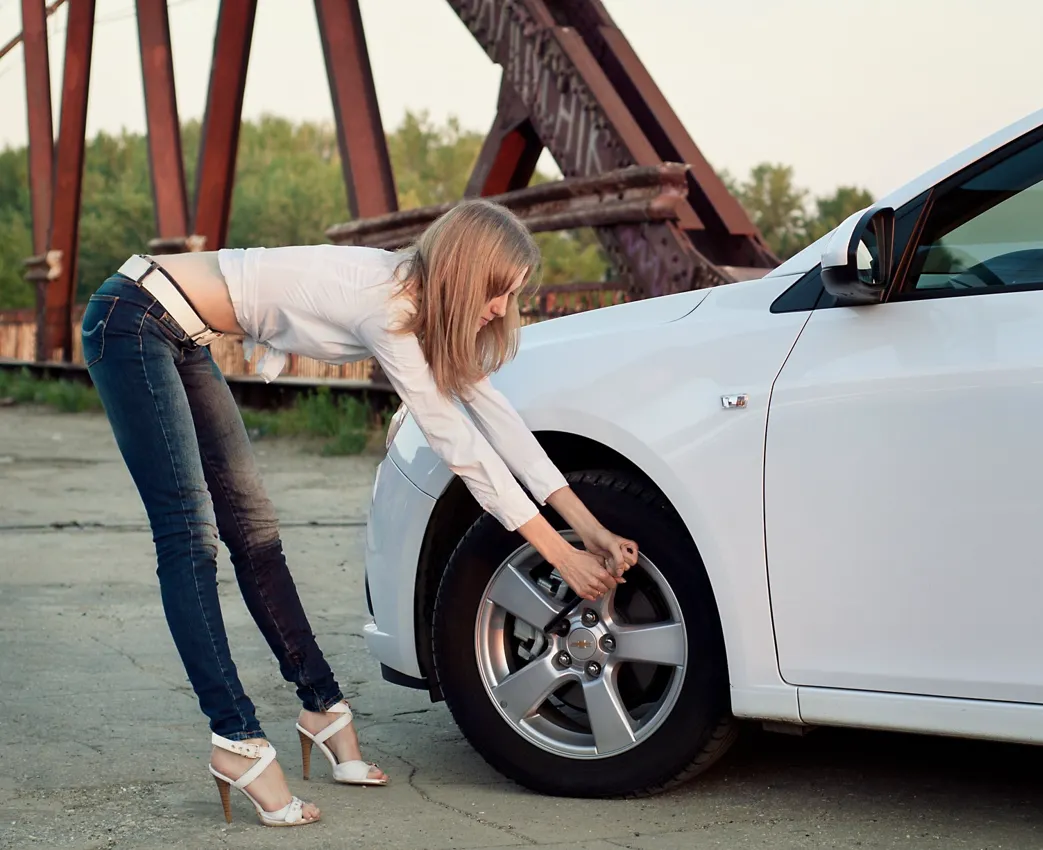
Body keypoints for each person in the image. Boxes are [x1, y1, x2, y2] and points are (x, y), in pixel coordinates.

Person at [81, 198, 640, 828]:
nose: (501, 311)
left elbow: (499, 424)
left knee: (256, 533)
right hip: (133, 316)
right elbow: (460, 449)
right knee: (190, 536)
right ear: (462, 274)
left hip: (180, 330)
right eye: (497, 293)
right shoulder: (391, 307)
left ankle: (320, 707)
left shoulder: (418, 304)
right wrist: (558, 553)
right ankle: (234, 737)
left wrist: (588, 526)